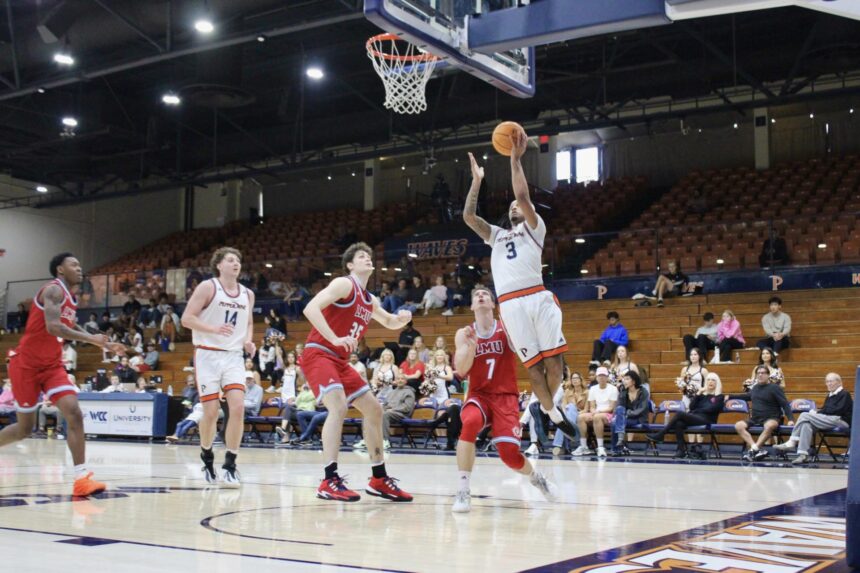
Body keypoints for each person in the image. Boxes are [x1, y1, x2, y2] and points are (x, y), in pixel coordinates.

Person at [462, 141, 577, 442]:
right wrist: (476, 181)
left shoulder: (535, 228)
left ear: (528, 213)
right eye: (511, 206)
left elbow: (523, 195)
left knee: (555, 366)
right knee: (534, 367)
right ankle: (550, 412)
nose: (515, 206)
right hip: (511, 305)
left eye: (520, 206)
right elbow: (469, 218)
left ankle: (543, 406)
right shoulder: (496, 235)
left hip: (537, 297)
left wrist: (515, 160)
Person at [0, 252, 125, 495]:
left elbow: (67, 325)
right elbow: (53, 327)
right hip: (26, 364)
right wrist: (91, 338)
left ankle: (81, 478)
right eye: (74, 264)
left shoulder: (70, 298)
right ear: (60, 270)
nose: (80, 268)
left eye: (80, 264)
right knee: (24, 429)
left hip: (51, 366)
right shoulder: (53, 290)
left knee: (74, 413)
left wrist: (103, 343)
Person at [299, 242, 413, 502]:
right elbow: (310, 308)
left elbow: (388, 322)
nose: (367, 258)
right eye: (361, 256)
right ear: (350, 264)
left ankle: (379, 478)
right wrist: (336, 338)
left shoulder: (369, 299)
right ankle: (328, 480)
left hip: (339, 360)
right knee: (338, 407)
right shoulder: (344, 284)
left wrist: (402, 319)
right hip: (319, 352)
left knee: (374, 409)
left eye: (369, 256)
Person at [451, 286, 558, 513]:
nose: (480, 296)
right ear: (471, 306)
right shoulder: (464, 333)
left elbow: (528, 351)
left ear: (492, 305)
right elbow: (461, 370)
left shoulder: (507, 329)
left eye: (485, 295)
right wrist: (470, 348)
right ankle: (462, 490)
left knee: (509, 456)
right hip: (479, 395)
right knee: (469, 423)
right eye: (476, 295)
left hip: (505, 397)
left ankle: (536, 477)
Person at [181, 247, 256, 487]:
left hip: (233, 356)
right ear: (219, 265)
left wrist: (248, 340)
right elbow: (186, 318)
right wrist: (213, 329)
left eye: (238, 260)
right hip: (207, 355)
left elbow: (249, 322)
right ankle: (207, 456)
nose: (236, 263)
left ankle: (230, 465)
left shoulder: (248, 294)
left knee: (238, 408)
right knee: (211, 413)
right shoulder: (208, 287)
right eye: (230, 260)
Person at [774, 372, 853, 464]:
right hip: (828, 420)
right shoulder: (830, 395)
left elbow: (837, 410)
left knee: (804, 415)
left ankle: (792, 441)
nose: (829, 384)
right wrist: (819, 412)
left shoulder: (844, 394)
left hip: (841, 420)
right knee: (806, 425)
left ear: (839, 382)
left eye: (831, 381)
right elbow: (826, 409)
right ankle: (803, 455)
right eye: (827, 381)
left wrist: (817, 412)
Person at [647, 372, 726, 458]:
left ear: (717, 383)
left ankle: (661, 434)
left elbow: (711, 409)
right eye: (708, 380)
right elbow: (692, 407)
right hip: (697, 417)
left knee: (680, 413)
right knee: (679, 423)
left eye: (713, 380)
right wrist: (698, 393)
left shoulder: (720, 397)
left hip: (708, 420)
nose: (710, 382)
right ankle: (681, 451)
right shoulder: (702, 395)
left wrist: (698, 410)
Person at [731, 365, 794, 462]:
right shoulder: (755, 388)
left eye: (763, 373)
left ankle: (752, 450)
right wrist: (729, 397)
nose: (760, 375)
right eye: (758, 373)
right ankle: (756, 449)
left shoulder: (775, 388)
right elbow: (746, 396)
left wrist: (790, 419)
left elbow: (785, 404)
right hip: (755, 418)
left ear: (768, 375)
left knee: (769, 425)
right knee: (738, 425)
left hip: (772, 417)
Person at [573, 366, 618, 458]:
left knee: (597, 417)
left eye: (604, 375)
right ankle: (583, 446)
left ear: (607, 377)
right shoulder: (593, 389)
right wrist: (593, 412)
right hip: (596, 412)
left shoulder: (613, 389)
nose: (601, 378)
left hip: (609, 414)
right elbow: (592, 406)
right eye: (599, 376)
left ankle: (600, 447)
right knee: (580, 417)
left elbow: (611, 408)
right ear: (597, 377)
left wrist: (597, 412)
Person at [610, 371, 650, 456]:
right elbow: (619, 407)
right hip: (625, 418)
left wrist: (627, 413)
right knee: (614, 421)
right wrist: (622, 392)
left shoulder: (643, 392)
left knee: (616, 421)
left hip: (639, 418)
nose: (624, 381)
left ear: (634, 381)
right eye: (624, 379)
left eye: (627, 379)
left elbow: (641, 409)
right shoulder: (623, 391)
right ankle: (618, 447)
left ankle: (617, 449)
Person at [551, 371, 587, 456]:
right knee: (569, 409)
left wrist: (576, 412)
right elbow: (563, 405)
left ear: (581, 380)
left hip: (581, 415)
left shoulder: (586, 392)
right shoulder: (567, 392)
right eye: (573, 378)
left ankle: (557, 445)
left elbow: (587, 409)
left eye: (577, 378)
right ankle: (570, 430)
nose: (575, 380)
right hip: (568, 415)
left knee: (565, 420)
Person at [381, 371, 415, 449]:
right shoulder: (391, 392)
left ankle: (385, 441)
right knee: (369, 415)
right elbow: (385, 405)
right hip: (389, 413)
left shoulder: (409, 392)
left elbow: (407, 407)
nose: (400, 380)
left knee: (385, 415)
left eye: (402, 379)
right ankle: (366, 440)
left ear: (406, 381)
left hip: (402, 414)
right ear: (395, 381)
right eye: (398, 379)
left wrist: (393, 409)